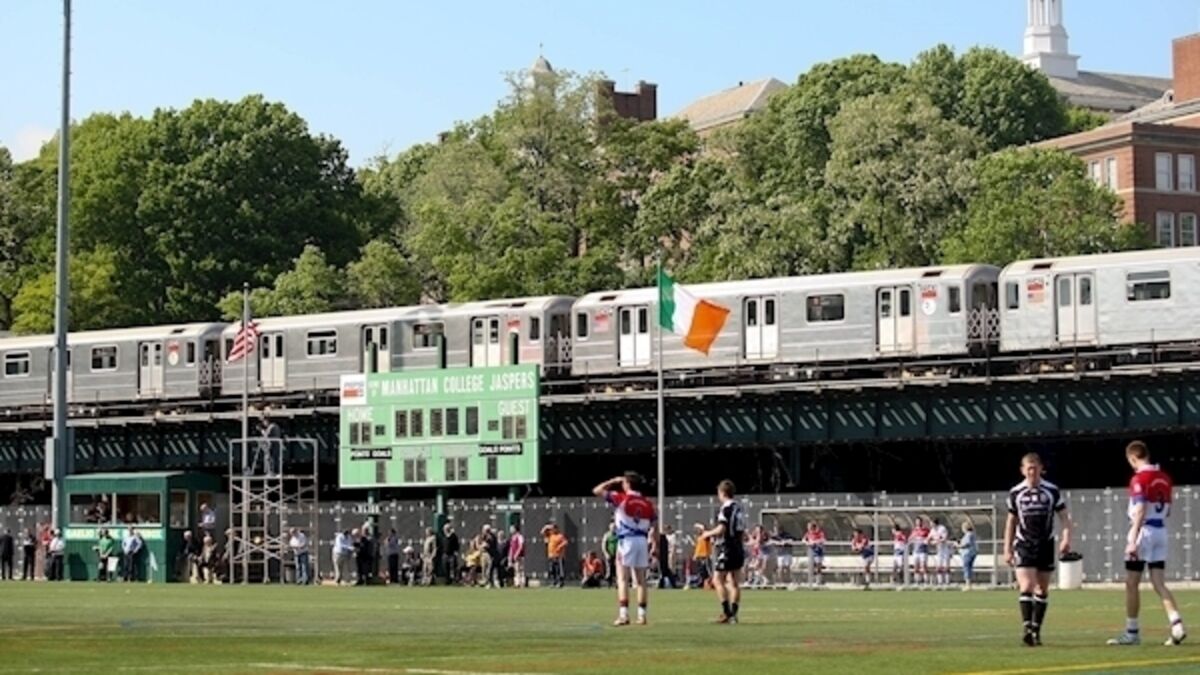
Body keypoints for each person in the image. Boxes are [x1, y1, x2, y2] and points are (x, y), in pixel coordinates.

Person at [1108, 440, 1187, 646]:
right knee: (1159, 583)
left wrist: (1132, 540)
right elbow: (1168, 509)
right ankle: (1176, 625)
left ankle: (1132, 633)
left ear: (1132, 458)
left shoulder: (1139, 478)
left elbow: (1140, 510)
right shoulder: (1164, 477)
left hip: (1144, 532)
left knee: (1131, 582)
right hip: (1161, 530)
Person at [1003, 452, 1072, 647]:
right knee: (1026, 586)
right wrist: (1006, 548)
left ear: (1042, 468)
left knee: (1042, 589)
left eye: (1035, 468)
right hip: (1024, 543)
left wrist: (1066, 538)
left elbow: (1065, 517)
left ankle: (1036, 630)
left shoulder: (1052, 491)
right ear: (1023, 470)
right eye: (1028, 468)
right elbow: (1011, 521)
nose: (1032, 472)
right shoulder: (1016, 492)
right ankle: (1027, 628)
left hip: (1046, 543)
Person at [593, 472, 657, 626]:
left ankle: (624, 615)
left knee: (622, 579)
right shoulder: (648, 503)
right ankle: (642, 616)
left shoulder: (621, 498)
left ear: (627, 483)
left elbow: (597, 490)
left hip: (626, 540)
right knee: (641, 581)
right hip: (642, 540)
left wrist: (613, 480)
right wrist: (654, 545)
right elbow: (654, 526)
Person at [701, 480, 745, 624]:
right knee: (734, 582)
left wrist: (707, 534)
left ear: (722, 493)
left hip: (728, 547)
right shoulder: (739, 508)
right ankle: (734, 614)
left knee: (717, 580)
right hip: (738, 547)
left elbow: (722, 529)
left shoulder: (725, 509)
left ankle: (727, 613)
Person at [802, 521, 826, 588]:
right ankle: (811, 581)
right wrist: (808, 543)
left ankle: (818, 581)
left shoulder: (820, 533)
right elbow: (803, 540)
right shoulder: (808, 533)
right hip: (811, 552)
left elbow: (823, 540)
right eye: (808, 527)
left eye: (810, 527)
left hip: (818, 552)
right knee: (811, 566)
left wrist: (815, 542)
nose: (809, 528)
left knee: (818, 566)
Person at [910, 517, 931, 586]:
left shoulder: (926, 530)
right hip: (916, 551)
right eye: (917, 521)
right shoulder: (914, 530)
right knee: (916, 567)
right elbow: (910, 538)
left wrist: (926, 540)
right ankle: (917, 581)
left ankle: (926, 582)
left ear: (921, 522)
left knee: (924, 566)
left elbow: (930, 538)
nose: (918, 523)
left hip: (923, 551)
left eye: (919, 521)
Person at [932, 518, 952, 587]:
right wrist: (927, 541)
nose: (931, 525)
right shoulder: (932, 530)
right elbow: (929, 537)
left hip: (945, 549)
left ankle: (947, 582)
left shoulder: (942, 528)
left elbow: (944, 538)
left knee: (946, 566)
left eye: (932, 523)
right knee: (939, 566)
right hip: (939, 550)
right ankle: (940, 582)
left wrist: (937, 541)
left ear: (935, 523)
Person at [692, 523, 713, 590]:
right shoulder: (699, 538)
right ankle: (701, 583)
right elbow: (698, 548)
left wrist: (700, 526)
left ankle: (710, 584)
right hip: (699, 556)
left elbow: (706, 532)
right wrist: (695, 555)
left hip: (705, 556)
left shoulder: (705, 536)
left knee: (707, 571)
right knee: (701, 572)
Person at [959, 522, 978, 590]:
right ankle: (968, 584)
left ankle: (968, 584)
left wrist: (958, 546)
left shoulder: (969, 534)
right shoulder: (971, 534)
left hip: (968, 553)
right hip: (970, 553)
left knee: (967, 568)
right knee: (968, 568)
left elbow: (967, 544)